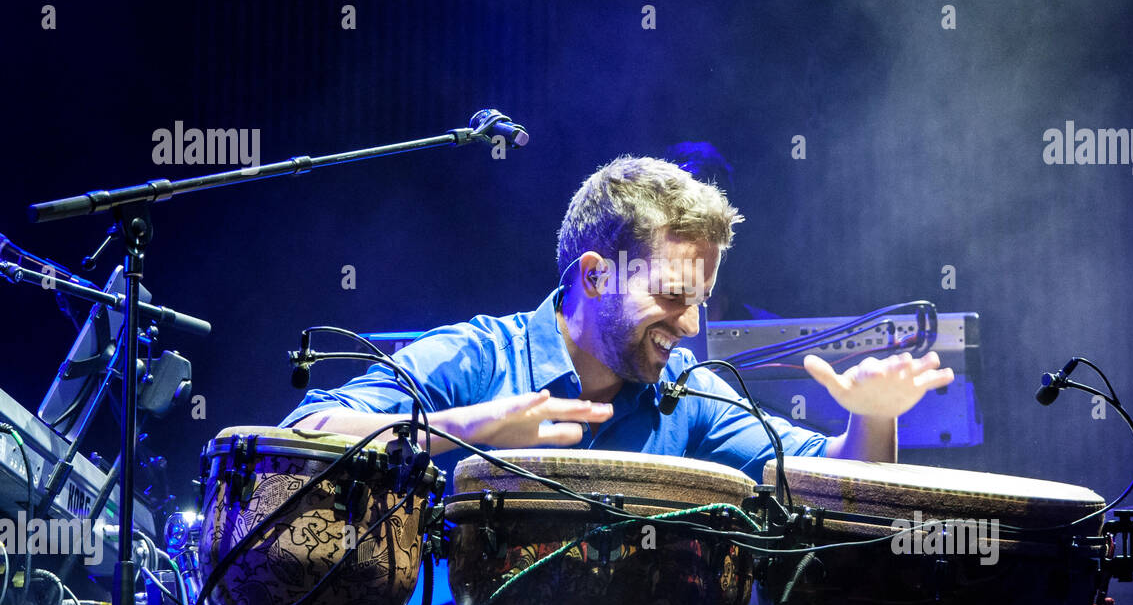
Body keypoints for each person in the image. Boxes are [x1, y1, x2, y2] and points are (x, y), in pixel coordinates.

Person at [281, 156, 953, 476]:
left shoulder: (687, 395)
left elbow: (827, 483)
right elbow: (300, 434)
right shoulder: (478, 359)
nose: (689, 326)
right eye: (670, 295)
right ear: (596, 275)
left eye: (700, 301)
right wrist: (470, 428)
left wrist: (875, 416)